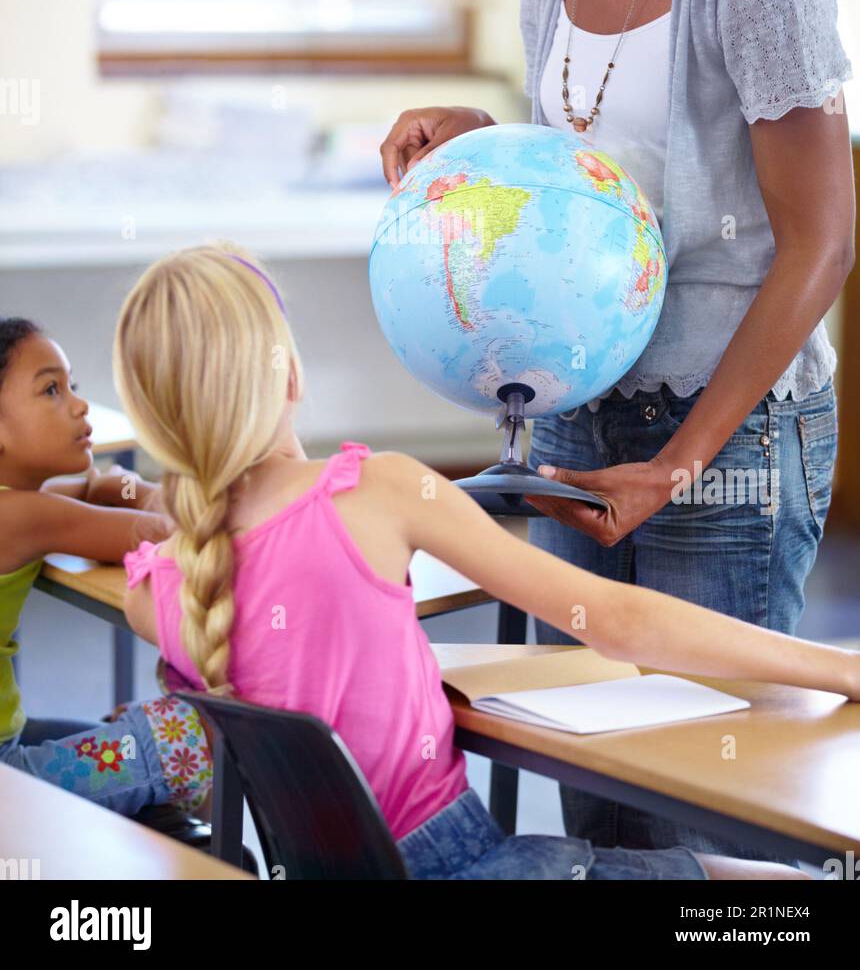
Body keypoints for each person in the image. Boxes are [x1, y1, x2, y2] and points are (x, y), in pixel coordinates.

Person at [378, 0, 855, 862]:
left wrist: (686, 458)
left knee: (707, 787)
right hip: (584, 420)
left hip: (727, 427)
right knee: (589, 773)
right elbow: (600, 166)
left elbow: (818, 237)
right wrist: (476, 134)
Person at [115, 239, 858, 880]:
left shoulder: (156, 589)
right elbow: (616, 622)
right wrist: (840, 670)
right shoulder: (378, 489)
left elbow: (299, 653)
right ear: (289, 376)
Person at [0, 316, 213, 817]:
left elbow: (98, 490)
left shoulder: (25, 503)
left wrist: (137, 492)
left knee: (135, 743)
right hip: (6, 777)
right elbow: (166, 534)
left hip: (9, 744)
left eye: (72, 385)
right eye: (51, 389)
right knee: (196, 736)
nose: (78, 404)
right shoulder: (24, 516)